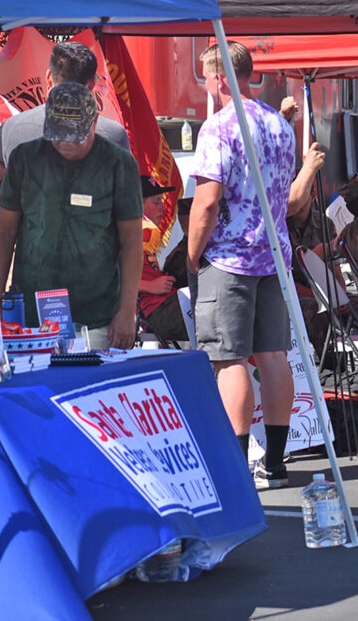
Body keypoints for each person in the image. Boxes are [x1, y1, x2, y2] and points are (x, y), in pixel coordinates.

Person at [188, 41, 295, 490]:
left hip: (229, 256)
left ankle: (235, 464)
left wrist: (192, 256)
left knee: (229, 360)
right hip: (273, 253)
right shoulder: (279, 124)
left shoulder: (217, 127)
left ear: (216, 79)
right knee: (272, 356)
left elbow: (207, 202)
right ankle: (274, 460)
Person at [0, 83, 142, 350]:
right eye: (57, 133)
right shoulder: (25, 158)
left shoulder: (119, 164)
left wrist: (127, 311)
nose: (64, 143)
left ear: (94, 121)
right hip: (31, 316)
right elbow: (4, 232)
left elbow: (131, 241)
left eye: (74, 135)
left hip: (97, 318)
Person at [0, 42, 131, 289]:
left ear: (49, 77)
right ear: (92, 85)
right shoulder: (114, 134)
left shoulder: (11, 128)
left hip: (17, 256)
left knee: (20, 326)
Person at [137, 175, 189, 344]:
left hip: (167, 305)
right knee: (226, 312)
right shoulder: (137, 232)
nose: (164, 207)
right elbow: (107, 278)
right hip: (159, 312)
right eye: (156, 201)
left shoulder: (143, 232)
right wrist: (149, 286)